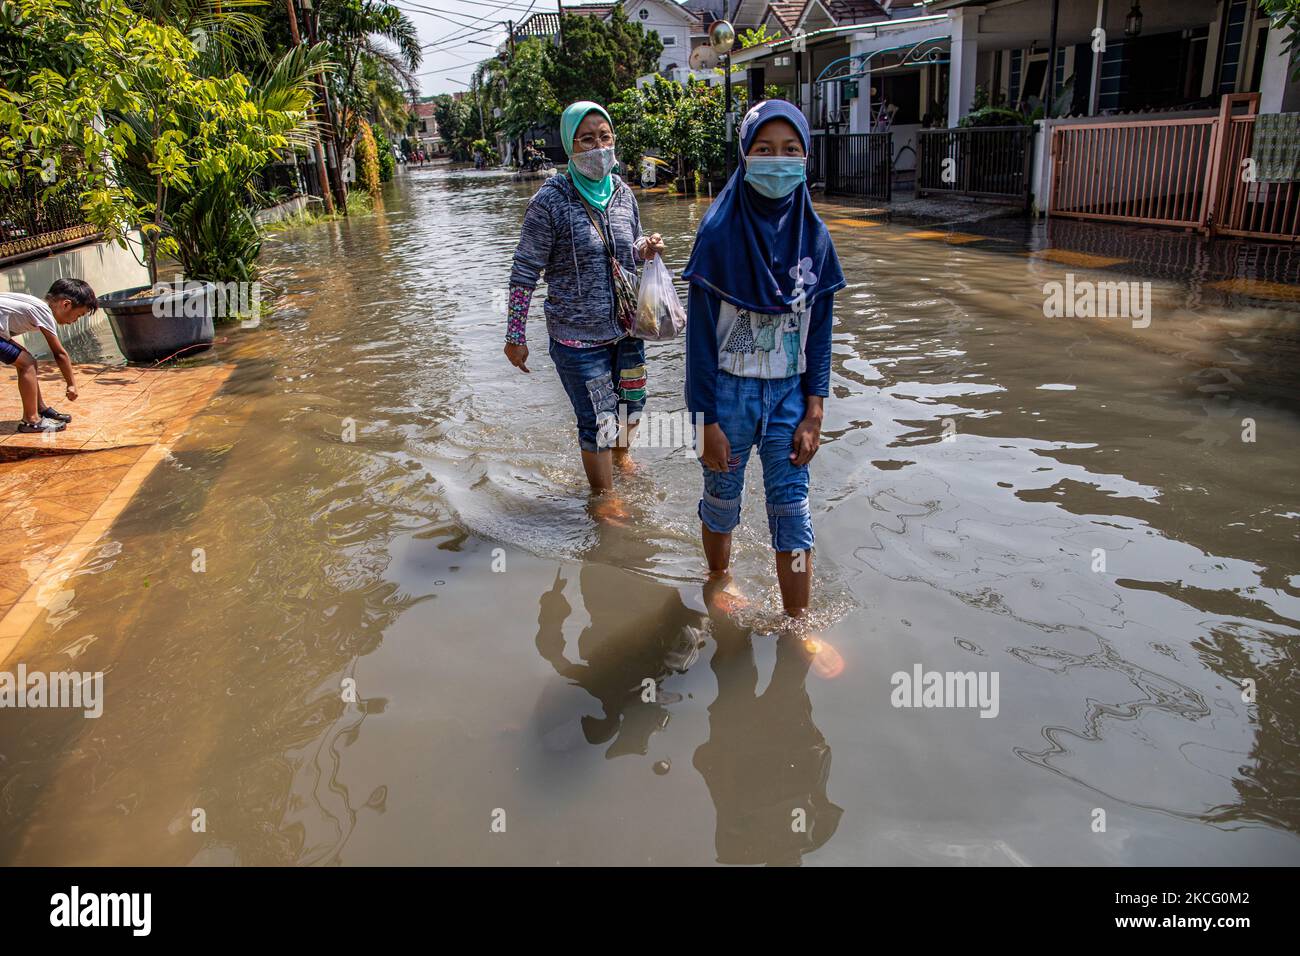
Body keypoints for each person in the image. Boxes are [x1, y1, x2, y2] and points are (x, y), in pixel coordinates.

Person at [682, 100, 844, 618]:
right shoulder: (717, 234)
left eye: (791, 150)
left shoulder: (815, 238)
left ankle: (798, 625)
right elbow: (701, 345)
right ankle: (719, 579)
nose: (779, 161)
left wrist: (815, 412)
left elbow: (819, 336)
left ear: (806, 158)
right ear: (745, 157)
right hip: (728, 393)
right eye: (764, 150)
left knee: (792, 511)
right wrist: (704, 421)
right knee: (723, 501)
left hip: (791, 396)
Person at [505, 101, 664, 496]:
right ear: (570, 145)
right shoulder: (550, 201)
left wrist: (646, 248)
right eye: (587, 138)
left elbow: (628, 248)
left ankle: (622, 460)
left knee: (632, 406)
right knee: (598, 419)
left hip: (628, 327)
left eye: (605, 137)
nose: (598, 146)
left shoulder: (624, 194)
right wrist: (515, 335)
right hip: (578, 339)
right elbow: (524, 271)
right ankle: (604, 499)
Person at [0, 279, 97, 433]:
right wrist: (71, 384)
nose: (74, 321)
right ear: (66, 304)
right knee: (27, 363)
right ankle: (31, 420)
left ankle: (40, 409)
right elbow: (59, 353)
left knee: (27, 361)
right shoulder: (44, 312)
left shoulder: (38, 306)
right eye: (78, 316)